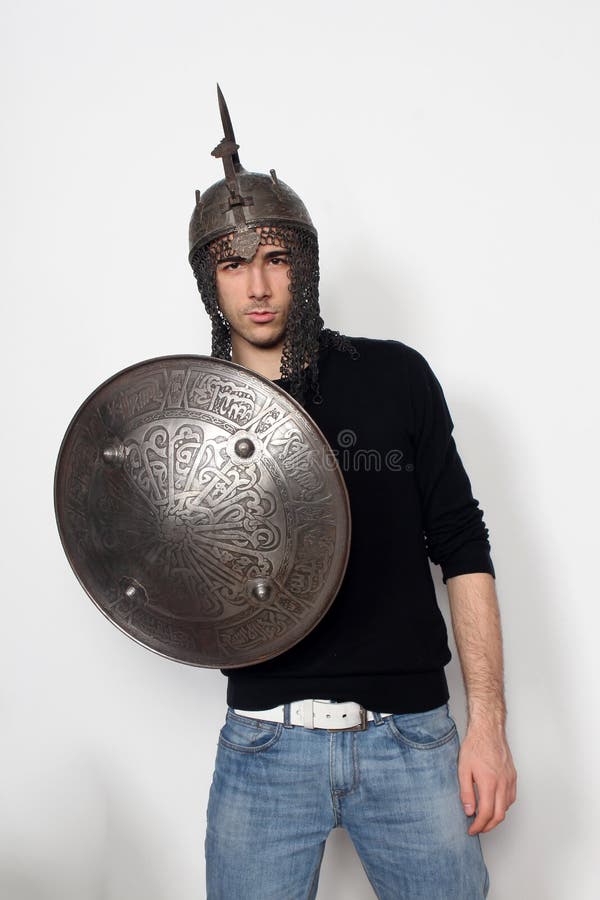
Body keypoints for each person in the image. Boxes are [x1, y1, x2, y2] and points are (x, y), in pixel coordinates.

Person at [188, 88, 517, 900]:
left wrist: (490, 730)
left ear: (305, 262)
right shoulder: (187, 417)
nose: (258, 285)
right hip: (264, 746)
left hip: (411, 740)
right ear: (211, 281)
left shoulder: (395, 376)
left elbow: (463, 547)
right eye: (234, 264)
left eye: (276, 258)